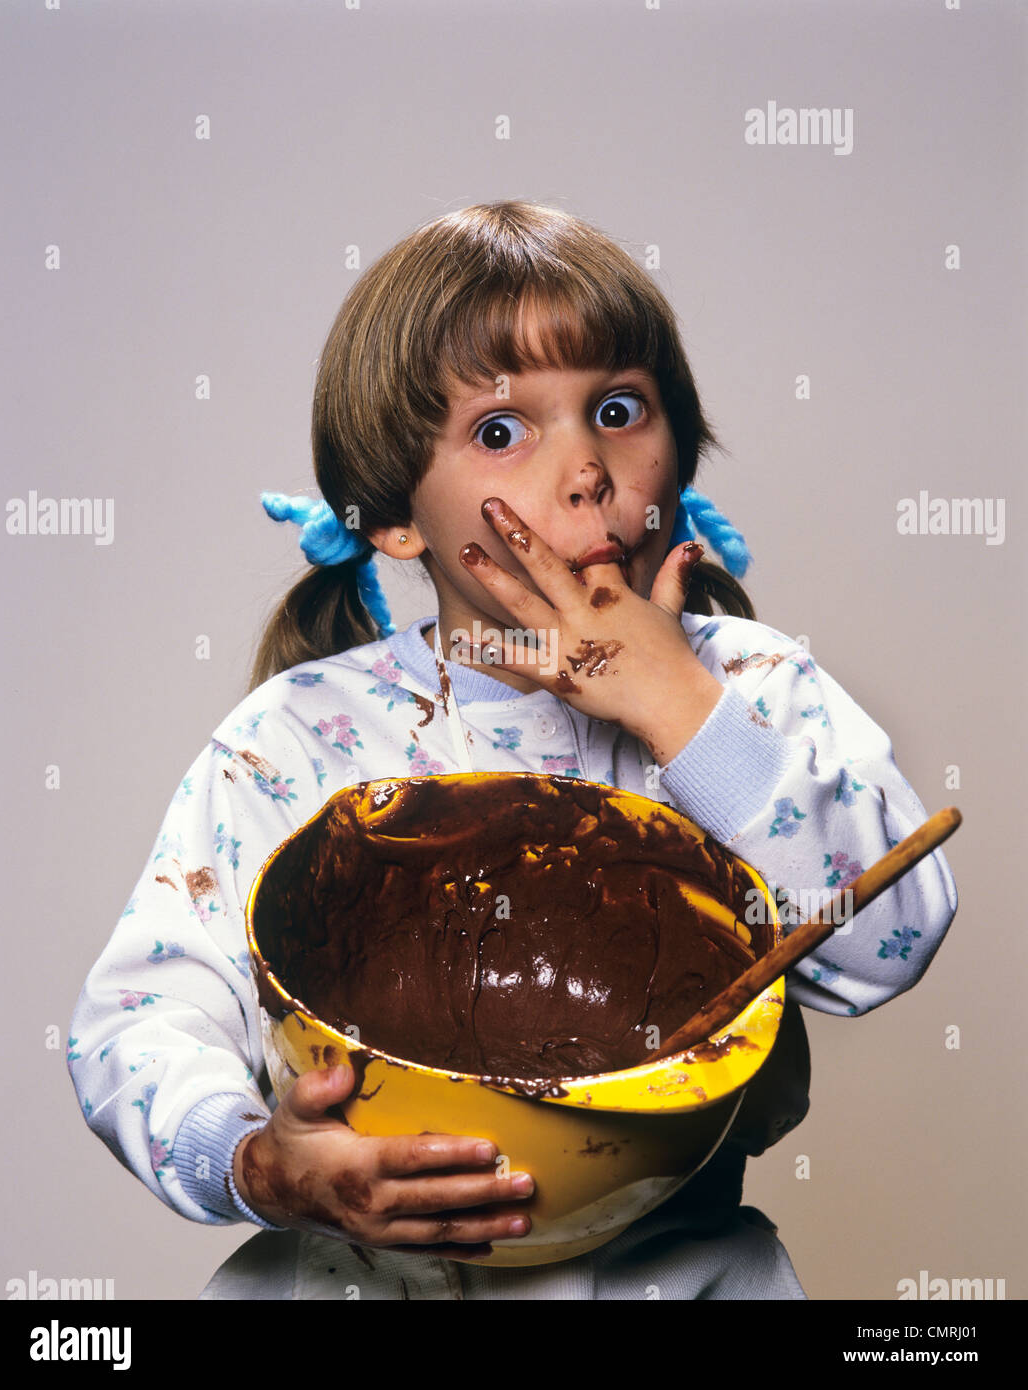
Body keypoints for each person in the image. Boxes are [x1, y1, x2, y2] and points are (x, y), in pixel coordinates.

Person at [68, 200, 957, 1300]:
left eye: (619, 409)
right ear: (392, 515)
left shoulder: (748, 691)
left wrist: (680, 706)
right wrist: (259, 1163)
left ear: (678, 450)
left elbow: (892, 940)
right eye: (501, 430)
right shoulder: (293, 742)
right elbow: (135, 1022)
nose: (583, 468)